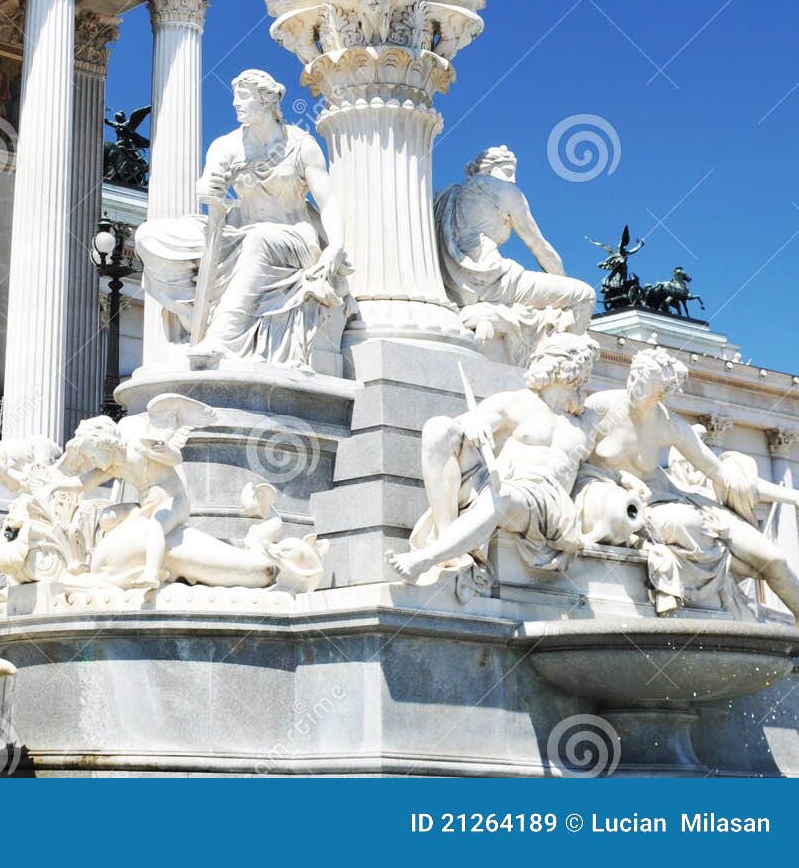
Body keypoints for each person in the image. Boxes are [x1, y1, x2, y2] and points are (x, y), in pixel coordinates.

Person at [135, 68, 345, 371]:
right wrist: (210, 189)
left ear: (266, 100)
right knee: (149, 236)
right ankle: (195, 321)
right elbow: (208, 189)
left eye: (243, 97)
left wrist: (335, 247)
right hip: (238, 230)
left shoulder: (301, 145)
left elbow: (328, 202)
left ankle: (221, 339)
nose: (235, 104)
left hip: (292, 237)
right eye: (235, 97)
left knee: (257, 241)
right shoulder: (226, 145)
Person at [584, 347, 799, 616]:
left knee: (774, 560)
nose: (634, 387)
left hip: (674, 499)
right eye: (633, 378)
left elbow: (724, 475)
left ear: (661, 392)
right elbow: (573, 460)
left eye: (644, 384)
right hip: (629, 507)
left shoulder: (669, 425)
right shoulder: (601, 407)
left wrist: (792, 497)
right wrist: (619, 479)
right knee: (686, 523)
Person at [389, 333, 599, 585]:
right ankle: (451, 548)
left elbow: (616, 451)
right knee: (439, 428)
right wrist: (475, 423)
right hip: (498, 480)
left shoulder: (585, 421)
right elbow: (468, 423)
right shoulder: (517, 402)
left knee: (502, 496)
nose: (582, 374)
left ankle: (426, 559)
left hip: (542, 501)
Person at [435, 145, 595, 359]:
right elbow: (539, 246)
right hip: (495, 281)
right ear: (493, 169)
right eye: (509, 172)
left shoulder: (445, 195)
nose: (513, 179)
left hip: (453, 287)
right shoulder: (504, 191)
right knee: (584, 295)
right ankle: (556, 364)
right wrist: (562, 287)